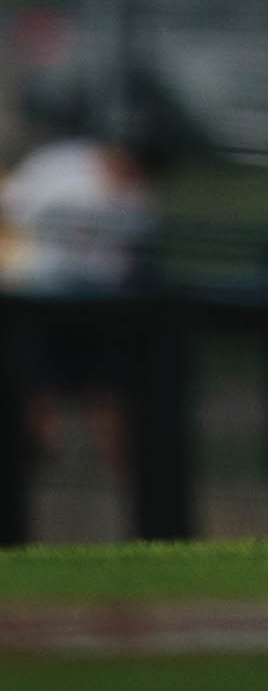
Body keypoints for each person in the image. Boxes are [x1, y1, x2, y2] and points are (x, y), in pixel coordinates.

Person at [5, 131, 163, 480]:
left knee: (108, 398)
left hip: (100, 307)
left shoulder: (140, 199)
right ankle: (29, 483)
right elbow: (10, 204)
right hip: (40, 297)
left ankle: (132, 489)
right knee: (35, 397)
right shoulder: (60, 166)